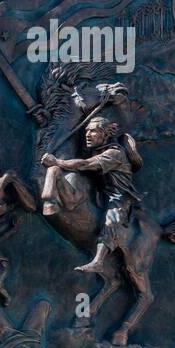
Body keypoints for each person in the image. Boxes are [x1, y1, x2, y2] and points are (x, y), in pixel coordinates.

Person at [40, 115, 142, 274]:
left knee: (111, 219)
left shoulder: (115, 154)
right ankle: (49, 199)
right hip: (99, 189)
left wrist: (57, 162)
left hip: (118, 196)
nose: (88, 135)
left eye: (93, 131)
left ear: (105, 134)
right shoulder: (96, 149)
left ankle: (98, 261)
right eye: (87, 131)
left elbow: (85, 164)